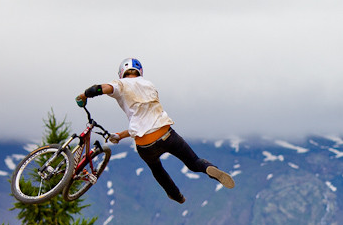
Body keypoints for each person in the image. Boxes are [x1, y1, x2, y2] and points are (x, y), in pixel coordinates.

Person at [75, 58, 234, 204]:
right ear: (140, 72)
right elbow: (147, 120)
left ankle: (175, 194)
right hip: (166, 133)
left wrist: (84, 94)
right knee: (194, 162)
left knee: (157, 169)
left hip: (146, 144)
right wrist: (120, 136)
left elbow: (100, 89)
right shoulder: (149, 85)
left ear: (122, 73)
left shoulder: (120, 84)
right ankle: (209, 169)